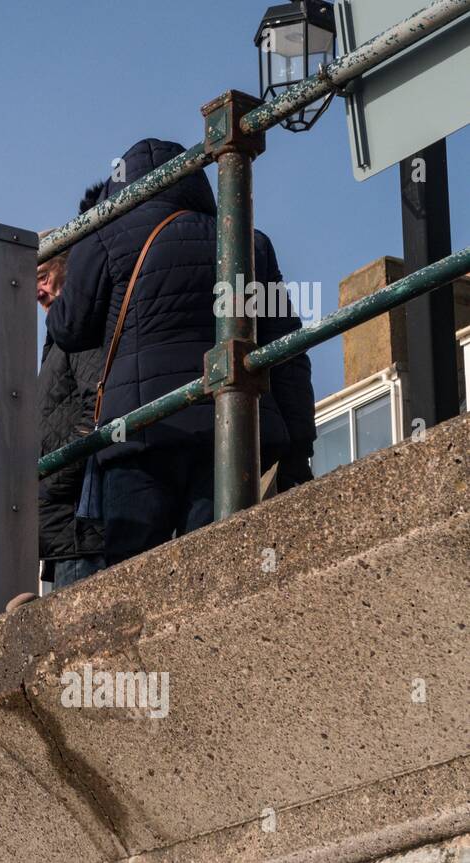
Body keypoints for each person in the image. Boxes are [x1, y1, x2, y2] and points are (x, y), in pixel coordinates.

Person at [46, 138, 316, 566]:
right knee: (215, 562)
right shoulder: (249, 241)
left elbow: (70, 327)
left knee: (133, 573)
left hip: (139, 434)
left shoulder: (103, 237)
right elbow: (288, 354)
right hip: (230, 429)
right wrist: (299, 447)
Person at [37, 207, 108, 591]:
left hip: (80, 528)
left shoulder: (80, 327)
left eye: (43, 277)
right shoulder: (58, 336)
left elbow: (96, 406)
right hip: (64, 535)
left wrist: (49, 483)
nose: (37, 291)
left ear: (70, 267)